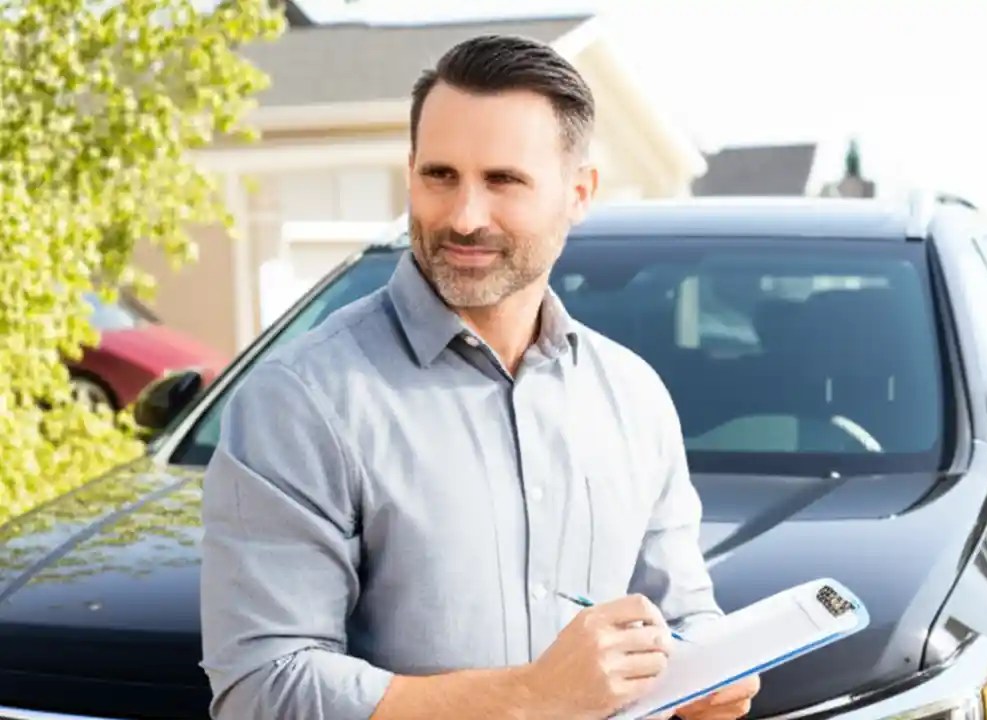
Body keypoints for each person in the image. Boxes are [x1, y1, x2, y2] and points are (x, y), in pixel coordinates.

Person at [199, 33, 761, 720]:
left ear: (578, 192)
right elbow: (264, 689)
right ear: (410, 173)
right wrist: (533, 698)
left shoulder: (633, 398)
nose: (464, 216)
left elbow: (679, 616)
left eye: (503, 180)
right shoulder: (302, 399)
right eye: (440, 175)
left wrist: (709, 673)